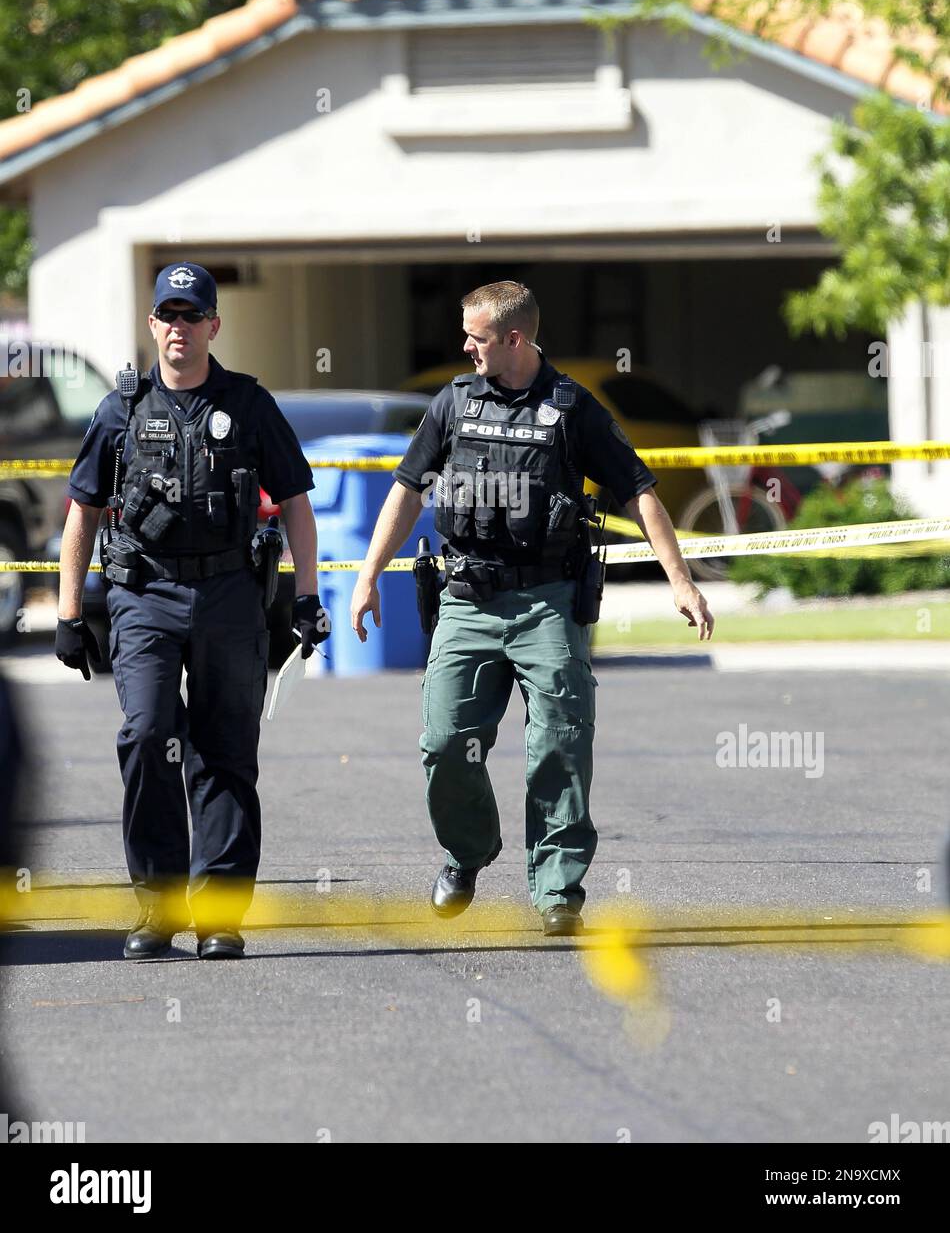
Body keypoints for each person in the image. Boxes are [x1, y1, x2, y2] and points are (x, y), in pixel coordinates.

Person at [351, 280, 713, 936]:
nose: (465, 347)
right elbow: (406, 491)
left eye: (477, 337)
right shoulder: (453, 404)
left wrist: (681, 581)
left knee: (560, 744)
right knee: (443, 744)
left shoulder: (571, 407)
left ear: (515, 338)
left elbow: (638, 492)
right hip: (466, 599)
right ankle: (468, 852)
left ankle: (556, 890)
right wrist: (368, 576)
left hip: (547, 600)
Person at [55, 262, 330, 960]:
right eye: (168, 316)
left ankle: (220, 915)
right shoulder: (121, 409)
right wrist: (66, 613)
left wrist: (305, 596)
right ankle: (158, 907)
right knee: (148, 735)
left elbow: (296, 501)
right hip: (143, 594)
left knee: (224, 752)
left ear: (214, 324)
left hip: (231, 596)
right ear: (152, 325)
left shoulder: (248, 403)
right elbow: (82, 514)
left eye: (192, 315)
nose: (179, 328)